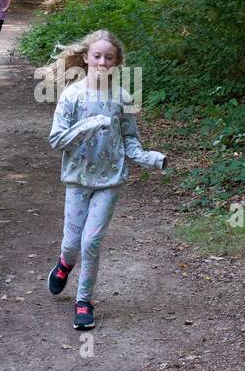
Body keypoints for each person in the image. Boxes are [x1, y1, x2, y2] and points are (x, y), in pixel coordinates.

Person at [43, 29, 167, 330]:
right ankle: (64, 264)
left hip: (110, 181)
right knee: (73, 244)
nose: (102, 62)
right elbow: (56, 140)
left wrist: (151, 158)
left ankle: (83, 301)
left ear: (116, 63)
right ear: (85, 58)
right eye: (96, 56)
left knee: (91, 242)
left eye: (108, 58)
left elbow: (129, 141)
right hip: (77, 179)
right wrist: (88, 125)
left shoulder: (122, 97)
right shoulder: (72, 96)